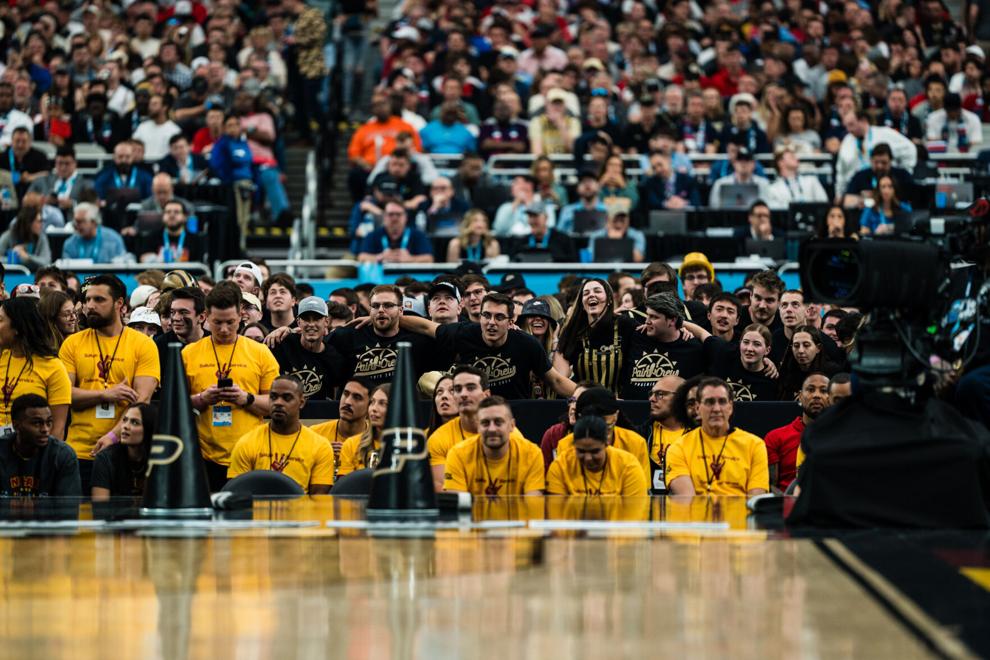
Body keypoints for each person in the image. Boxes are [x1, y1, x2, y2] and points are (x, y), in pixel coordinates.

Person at [59, 274, 160, 491]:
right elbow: (64, 394)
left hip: (123, 452)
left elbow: (141, 401)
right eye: (87, 300)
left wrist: (112, 437)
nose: (90, 306)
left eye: (99, 300)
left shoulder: (143, 345)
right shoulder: (72, 343)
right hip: (79, 452)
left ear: (119, 303)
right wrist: (105, 394)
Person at [182, 282, 279, 490]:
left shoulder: (260, 353)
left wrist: (247, 398)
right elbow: (174, 406)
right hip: (203, 456)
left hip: (250, 455)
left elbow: (275, 405)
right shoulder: (189, 354)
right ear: (206, 316)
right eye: (217, 322)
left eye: (230, 322)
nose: (224, 329)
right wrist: (202, 399)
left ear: (241, 314)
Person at [399, 292, 575, 399]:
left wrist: (585, 395)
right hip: (473, 411)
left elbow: (556, 380)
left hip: (516, 412)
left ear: (510, 322)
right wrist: (388, 318)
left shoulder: (527, 343)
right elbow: (425, 326)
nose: (491, 322)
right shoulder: (464, 333)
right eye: (487, 315)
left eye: (499, 317)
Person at [427, 365, 530, 489]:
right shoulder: (438, 439)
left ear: (486, 395)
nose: (463, 394)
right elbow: (443, 489)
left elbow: (524, 486)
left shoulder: (510, 433)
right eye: (458, 389)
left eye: (470, 388)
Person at [227, 375, 335, 494]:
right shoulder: (247, 442)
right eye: (273, 397)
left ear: (301, 402)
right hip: (257, 505)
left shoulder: (320, 446)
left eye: (286, 398)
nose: (278, 403)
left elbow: (318, 499)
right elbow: (237, 493)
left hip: (300, 505)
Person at [665, 377, 769, 496]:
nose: (716, 409)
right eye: (709, 402)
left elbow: (755, 499)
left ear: (730, 407)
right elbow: (687, 498)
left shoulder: (755, 445)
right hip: (696, 508)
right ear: (698, 408)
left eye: (722, 402)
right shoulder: (678, 447)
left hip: (741, 508)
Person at [327, 284, 437, 385]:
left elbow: (444, 332)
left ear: (400, 310)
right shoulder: (348, 336)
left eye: (388, 305)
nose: (380, 310)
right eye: (375, 306)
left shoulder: (418, 341)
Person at [443, 395, 544, 496]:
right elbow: (457, 504)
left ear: (512, 425)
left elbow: (532, 504)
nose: (492, 429)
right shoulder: (457, 455)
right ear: (478, 426)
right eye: (485, 423)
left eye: (498, 422)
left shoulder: (532, 454)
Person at [0, 297, 71, 440]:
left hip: (32, 450)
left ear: (17, 327)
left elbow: (57, 429)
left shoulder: (53, 367)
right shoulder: (2, 357)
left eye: (0, 320)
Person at [555, 278, 641, 394]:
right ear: (582, 303)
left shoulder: (626, 325)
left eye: (597, 291)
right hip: (585, 401)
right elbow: (560, 379)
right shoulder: (573, 331)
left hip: (619, 401)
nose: (591, 295)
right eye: (586, 293)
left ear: (609, 299)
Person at [554, 386, 650, 482]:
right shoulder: (565, 445)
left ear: (616, 415)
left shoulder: (636, 443)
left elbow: (641, 488)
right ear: (580, 417)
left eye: (606, 427)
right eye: (591, 428)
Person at [620, 293, 706, 400]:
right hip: (631, 409)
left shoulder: (692, 349)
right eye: (647, 315)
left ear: (672, 320)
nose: (647, 321)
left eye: (654, 317)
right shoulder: (636, 335)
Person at [546, 415, 647, 496]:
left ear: (607, 443)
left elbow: (635, 512)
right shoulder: (560, 466)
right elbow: (557, 513)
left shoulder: (628, 466)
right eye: (581, 451)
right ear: (574, 446)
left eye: (595, 451)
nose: (588, 458)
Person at [0, 393, 80, 496]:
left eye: (49, 422)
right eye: (37, 423)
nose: (45, 429)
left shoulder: (63, 455)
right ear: (16, 426)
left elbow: (68, 504)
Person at [764, 372, 828, 492]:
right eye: (810, 390)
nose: (816, 395)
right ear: (800, 397)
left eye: (824, 391)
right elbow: (770, 486)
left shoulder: (842, 437)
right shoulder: (775, 437)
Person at [271, 297, 345, 401]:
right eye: (306, 319)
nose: (311, 324)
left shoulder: (334, 358)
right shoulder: (281, 344)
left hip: (318, 411)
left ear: (326, 322)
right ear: (298, 322)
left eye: (317, 319)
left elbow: (335, 398)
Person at [835, 110, 917, 197]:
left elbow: (910, 149)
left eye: (851, 124)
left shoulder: (884, 133)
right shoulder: (847, 141)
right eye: (846, 126)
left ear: (863, 121)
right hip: (859, 187)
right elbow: (841, 171)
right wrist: (839, 193)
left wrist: (904, 170)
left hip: (886, 184)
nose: (849, 130)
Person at [90, 402, 156, 498]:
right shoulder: (106, 458)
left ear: (149, 428)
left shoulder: (161, 459)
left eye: (135, 422)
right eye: (125, 420)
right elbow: (100, 505)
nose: (125, 426)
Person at [311, 378, 371, 472]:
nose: (347, 402)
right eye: (346, 394)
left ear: (370, 407)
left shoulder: (377, 439)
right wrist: (322, 453)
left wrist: (349, 453)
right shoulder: (314, 434)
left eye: (357, 397)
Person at [642, 375, 686, 493]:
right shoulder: (640, 435)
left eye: (660, 394)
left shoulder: (698, 436)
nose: (651, 399)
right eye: (651, 394)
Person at [337, 383, 390, 476]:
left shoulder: (412, 446)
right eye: (372, 402)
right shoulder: (352, 445)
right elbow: (344, 483)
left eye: (382, 403)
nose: (374, 408)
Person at [356, 201, 434, 263]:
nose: (394, 218)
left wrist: (410, 259)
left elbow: (429, 259)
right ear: (384, 217)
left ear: (406, 217)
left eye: (398, 214)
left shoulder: (418, 235)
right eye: (391, 214)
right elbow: (361, 257)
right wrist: (380, 257)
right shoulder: (373, 235)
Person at [154, 286, 206, 376]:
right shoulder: (158, 346)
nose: (175, 318)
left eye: (183, 312)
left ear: (201, 317)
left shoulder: (214, 344)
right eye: (172, 312)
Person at [139, 199, 206, 264]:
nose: (172, 215)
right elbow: (143, 261)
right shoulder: (150, 238)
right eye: (168, 212)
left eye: (176, 212)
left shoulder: (196, 240)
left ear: (185, 217)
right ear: (163, 216)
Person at [509, 201, 576, 262]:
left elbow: (573, 264)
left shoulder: (563, 240)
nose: (532, 220)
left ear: (546, 218)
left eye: (535, 216)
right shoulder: (521, 243)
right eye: (530, 216)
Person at [62, 203, 128, 262]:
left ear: (94, 222)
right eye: (76, 221)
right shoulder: (70, 244)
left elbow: (123, 263)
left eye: (81, 222)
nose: (77, 226)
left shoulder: (113, 240)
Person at [0, 205, 51, 271]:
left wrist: (27, 257)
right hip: (10, 274)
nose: (41, 224)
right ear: (28, 222)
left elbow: (46, 261)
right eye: (38, 221)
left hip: (34, 274)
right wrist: (13, 258)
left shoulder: (42, 237)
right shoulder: (8, 236)